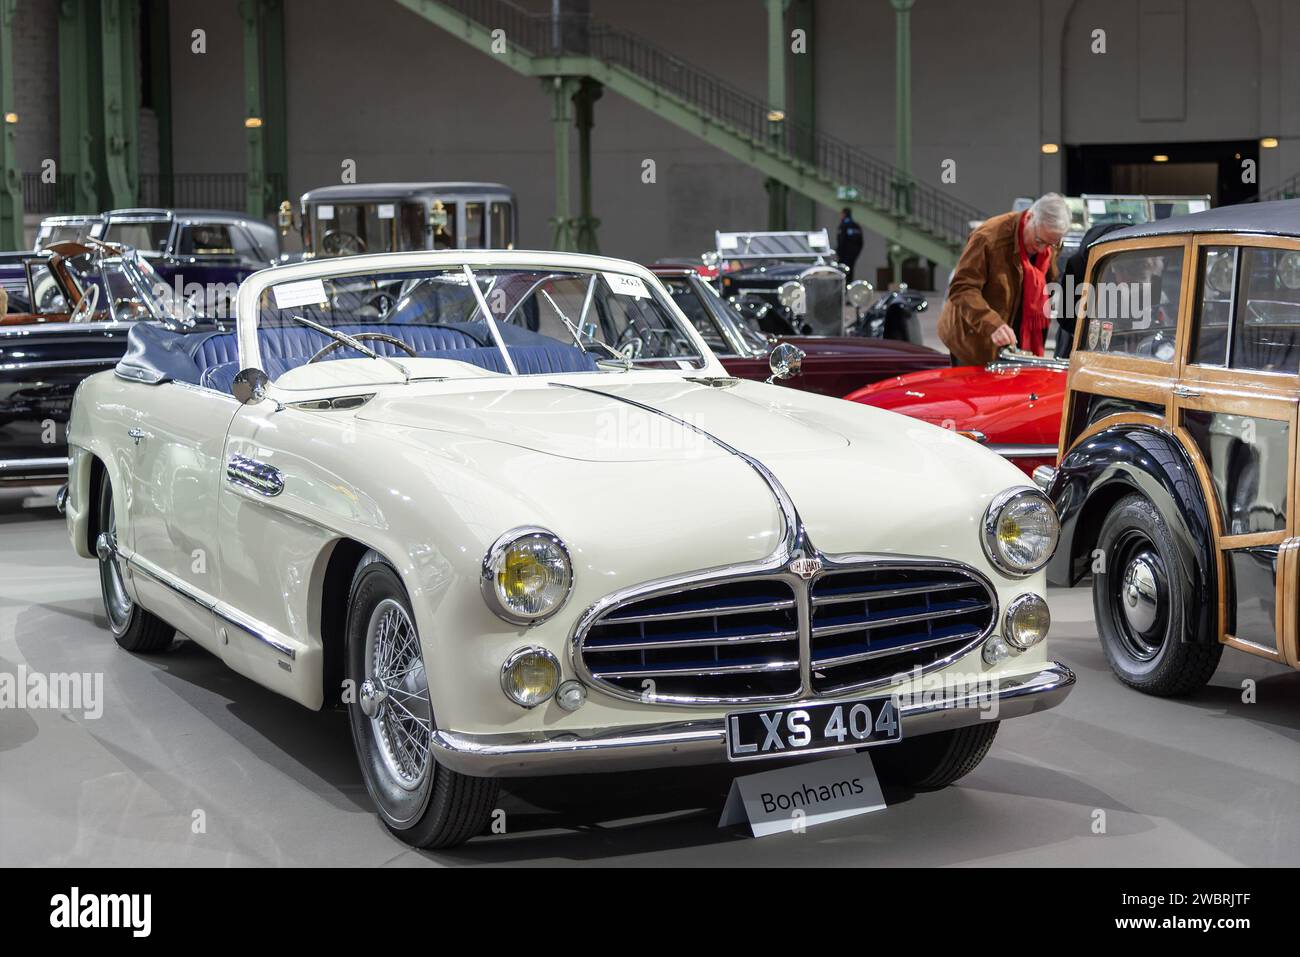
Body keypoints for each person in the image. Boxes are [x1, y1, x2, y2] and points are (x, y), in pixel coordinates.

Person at [938, 192, 1070, 365]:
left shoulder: (1048, 243)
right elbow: (962, 289)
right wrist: (992, 324)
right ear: (1030, 217)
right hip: (974, 339)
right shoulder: (988, 238)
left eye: (1051, 244)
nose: (1042, 249)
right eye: (1039, 241)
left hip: (1016, 339)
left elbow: (1049, 280)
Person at [836, 207, 864, 282]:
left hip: (845, 254)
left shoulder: (844, 225)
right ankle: (848, 285)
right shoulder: (856, 225)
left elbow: (842, 241)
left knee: (843, 271)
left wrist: (839, 252)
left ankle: (844, 286)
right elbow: (860, 243)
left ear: (844, 214)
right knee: (850, 270)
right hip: (853, 254)